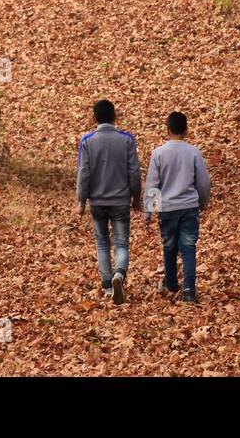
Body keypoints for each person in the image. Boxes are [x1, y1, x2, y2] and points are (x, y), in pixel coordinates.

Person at [76, 99, 141, 303]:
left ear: (93, 118)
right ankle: (119, 275)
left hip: (97, 201)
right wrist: (136, 197)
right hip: (121, 200)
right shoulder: (127, 140)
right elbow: (134, 172)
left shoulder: (87, 141)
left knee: (102, 243)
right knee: (121, 243)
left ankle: (107, 286)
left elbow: (83, 173)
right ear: (115, 117)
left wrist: (81, 201)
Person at [144, 111, 211, 303]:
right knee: (188, 247)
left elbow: (152, 183)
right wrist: (202, 201)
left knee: (169, 245)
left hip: (167, 208)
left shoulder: (158, 153)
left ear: (167, 130)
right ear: (186, 130)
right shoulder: (194, 153)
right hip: (189, 205)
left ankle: (171, 282)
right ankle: (189, 289)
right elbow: (203, 182)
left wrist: (149, 209)